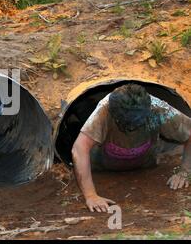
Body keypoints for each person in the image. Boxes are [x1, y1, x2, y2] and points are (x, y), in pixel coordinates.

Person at [72, 84, 191, 213]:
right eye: (125, 124)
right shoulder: (104, 109)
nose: (130, 129)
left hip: (145, 164)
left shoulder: (158, 108)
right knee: (79, 123)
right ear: (113, 113)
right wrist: (90, 195)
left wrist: (185, 171)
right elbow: (79, 148)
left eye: (136, 124)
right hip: (102, 165)